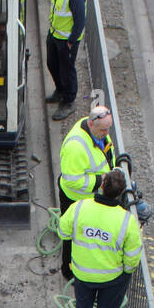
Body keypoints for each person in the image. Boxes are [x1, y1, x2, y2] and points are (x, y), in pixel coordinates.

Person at [59, 169, 142, 308]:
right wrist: (126, 273)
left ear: (102, 185)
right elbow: (132, 255)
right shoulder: (127, 221)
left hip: (82, 274)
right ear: (121, 194)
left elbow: (63, 232)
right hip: (111, 278)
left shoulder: (80, 207)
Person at [58, 103, 115, 278]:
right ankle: (68, 271)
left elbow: (106, 151)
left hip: (87, 198)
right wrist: (101, 181)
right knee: (71, 236)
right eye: (104, 130)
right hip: (75, 199)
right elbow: (73, 180)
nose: (106, 133)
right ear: (91, 124)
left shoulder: (94, 129)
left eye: (108, 129)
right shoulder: (76, 147)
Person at [46, 0, 86, 120]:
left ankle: (68, 101)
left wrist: (71, 42)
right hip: (55, 34)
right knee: (52, 64)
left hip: (66, 40)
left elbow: (80, 21)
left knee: (67, 70)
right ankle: (60, 90)